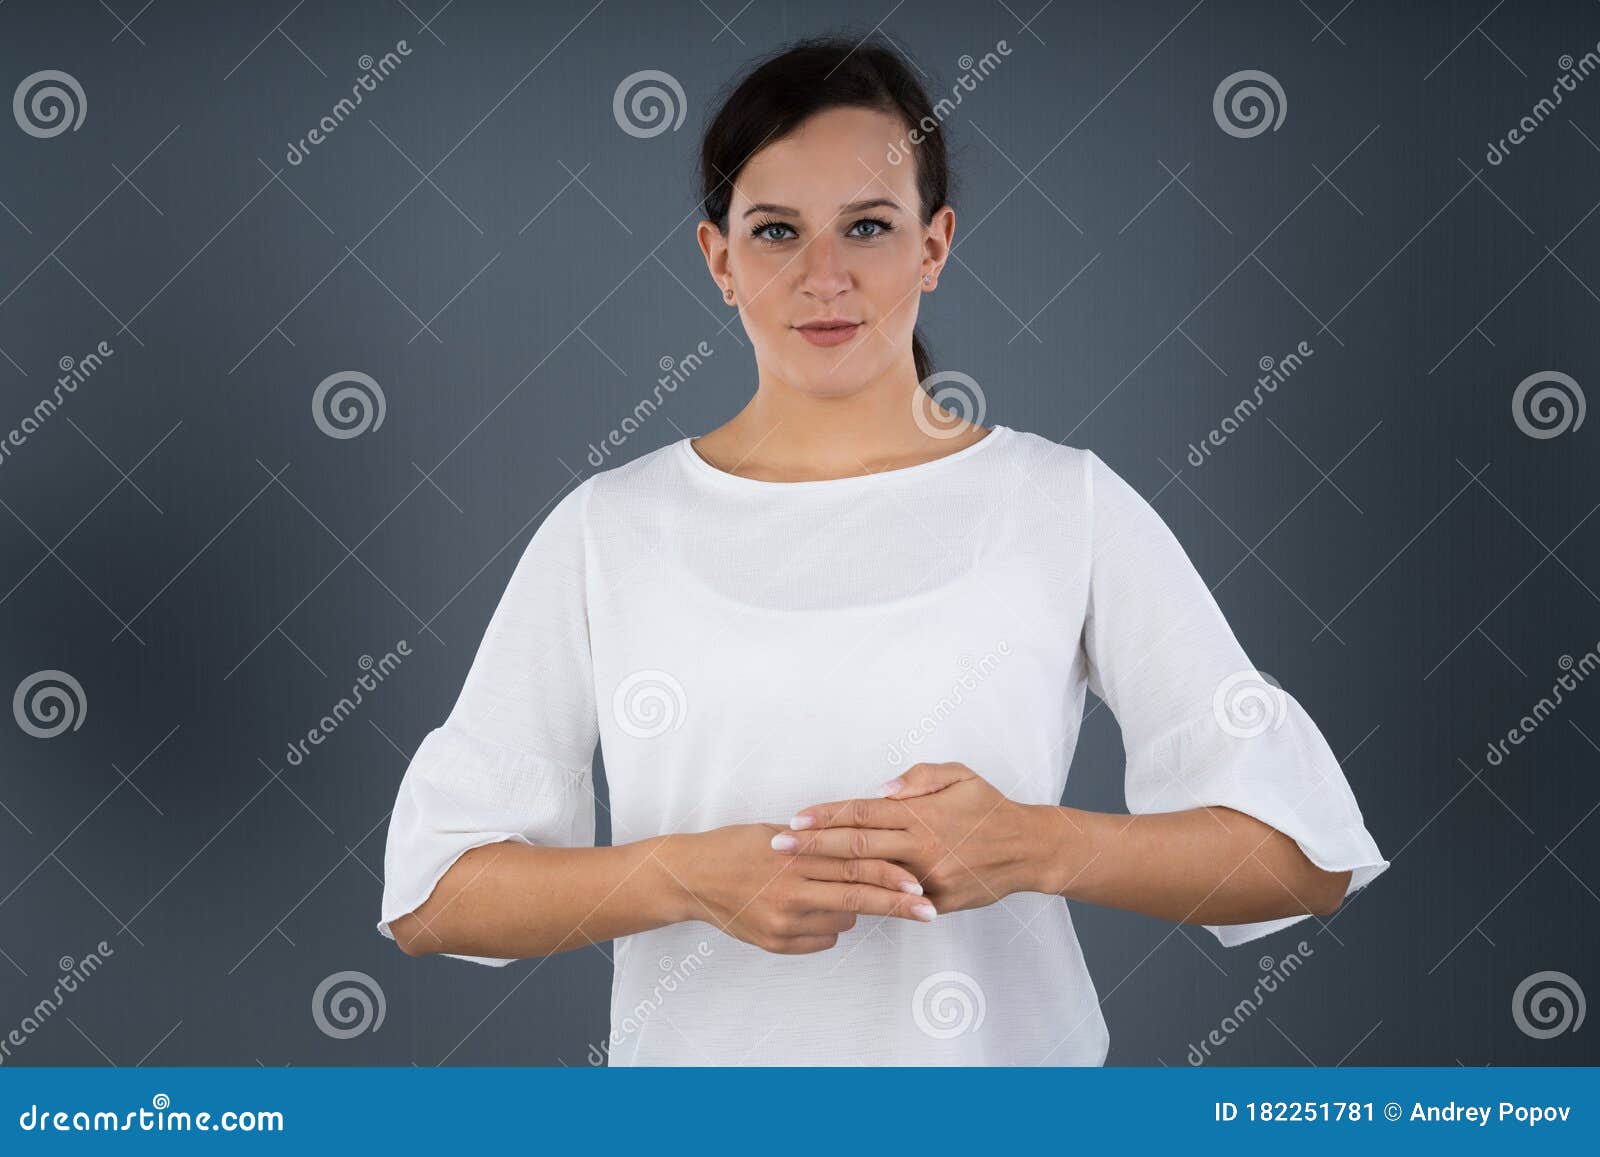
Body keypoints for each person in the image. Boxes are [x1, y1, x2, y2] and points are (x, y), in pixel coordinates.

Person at [376, 34, 1388, 1065]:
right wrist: (682, 876)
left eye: (868, 226)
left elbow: (1299, 855)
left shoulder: (1064, 503)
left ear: (933, 245)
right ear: (719, 260)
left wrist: (1038, 844)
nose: (824, 275)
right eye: (776, 231)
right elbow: (434, 895)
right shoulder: (608, 527)